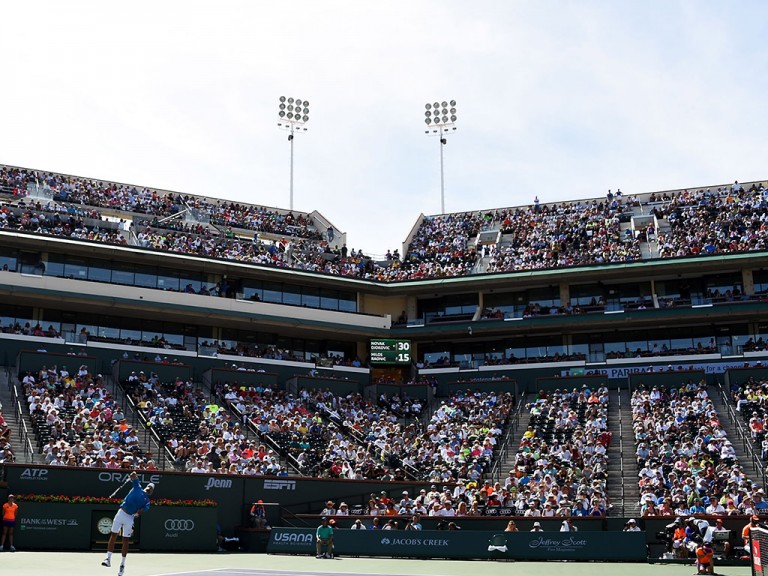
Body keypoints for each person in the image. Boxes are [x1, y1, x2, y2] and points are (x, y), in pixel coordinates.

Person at [102, 471, 154, 575]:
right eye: (149, 486)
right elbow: (134, 476)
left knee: (125, 540)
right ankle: (108, 559)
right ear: (146, 487)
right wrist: (133, 474)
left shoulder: (147, 502)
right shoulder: (137, 487)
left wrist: (139, 513)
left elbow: (142, 511)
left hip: (130, 518)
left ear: (151, 492)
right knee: (113, 535)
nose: (149, 488)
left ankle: (122, 565)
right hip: (121, 513)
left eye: (151, 488)